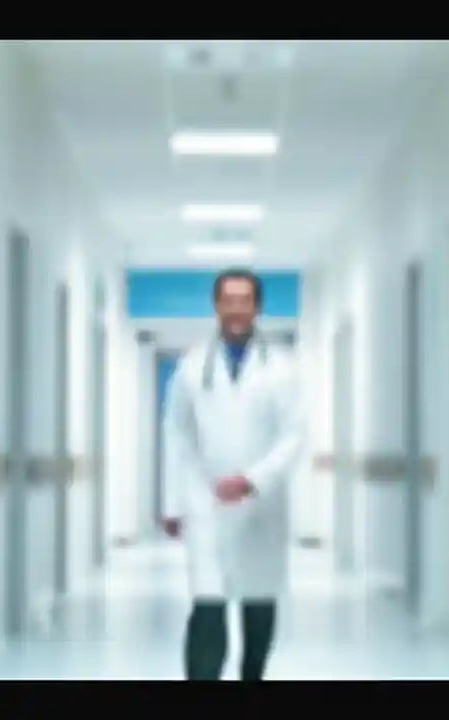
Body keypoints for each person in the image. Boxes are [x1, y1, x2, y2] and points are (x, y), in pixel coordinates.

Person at [160, 267, 305, 681]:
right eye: (229, 300)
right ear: (217, 305)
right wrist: (173, 502)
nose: (236, 309)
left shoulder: (281, 367)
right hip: (207, 502)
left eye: (245, 300)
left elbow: (294, 437)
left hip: (261, 504)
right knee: (208, 604)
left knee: (258, 604)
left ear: (257, 306)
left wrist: (253, 479)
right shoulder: (191, 367)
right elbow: (177, 434)